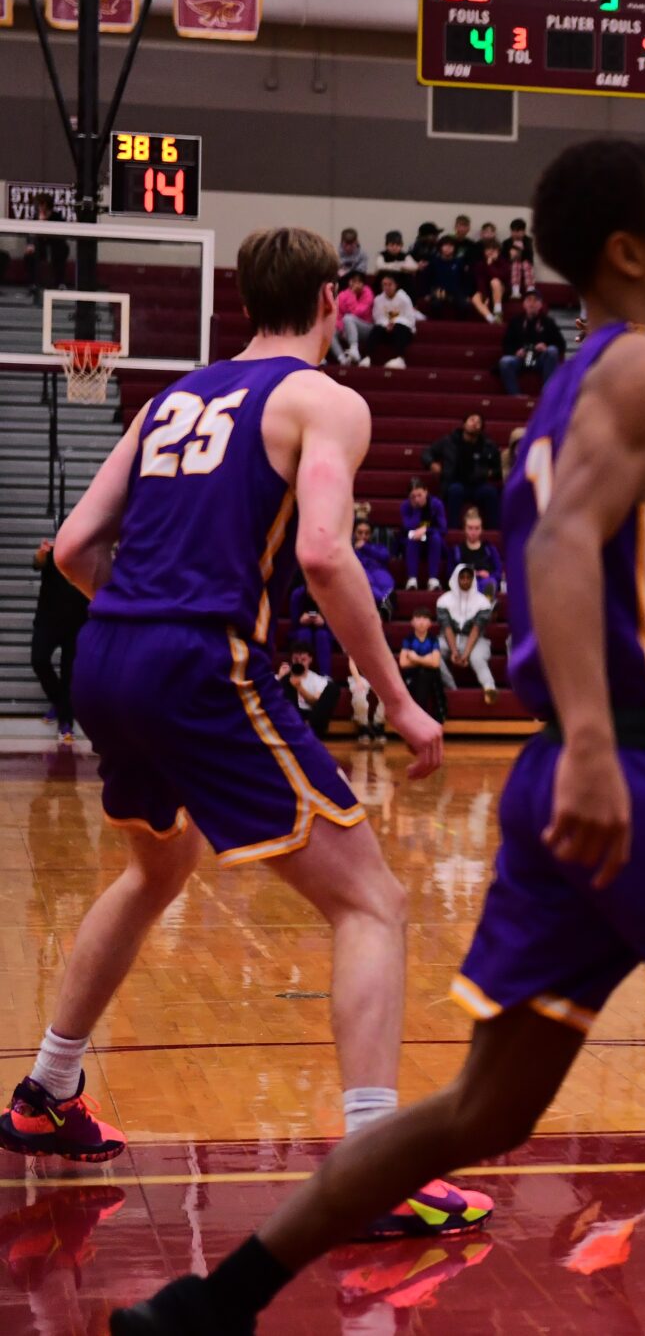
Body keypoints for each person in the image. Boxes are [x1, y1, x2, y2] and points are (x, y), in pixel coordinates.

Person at [109, 137, 645, 1336]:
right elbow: (565, 538)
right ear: (627, 254)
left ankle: (205, 1310)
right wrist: (589, 743)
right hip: (632, 773)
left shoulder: (591, 374)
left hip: (563, 784)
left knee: (483, 1109)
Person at [6, 227, 467, 1243]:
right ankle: (373, 1164)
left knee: (155, 871)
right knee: (373, 901)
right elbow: (325, 554)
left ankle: (46, 1087)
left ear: (245, 303)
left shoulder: (170, 399)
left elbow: (74, 546)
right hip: (198, 661)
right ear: (334, 301)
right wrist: (396, 698)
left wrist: (135, 621)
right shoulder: (324, 400)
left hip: (106, 655)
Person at [30, 537, 89, 742]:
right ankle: (60, 703)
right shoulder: (53, 553)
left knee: (68, 673)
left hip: (77, 622)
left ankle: (66, 724)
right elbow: (37, 564)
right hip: (47, 620)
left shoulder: (88, 556)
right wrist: (41, 553)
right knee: (39, 660)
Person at [423, 413, 504, 530]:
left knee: (490, 492)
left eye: (478, 422)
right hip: (455, 481)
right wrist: (431, 463)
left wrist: (490, 473)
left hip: (479, 484)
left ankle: (494, 532)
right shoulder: (449, 441)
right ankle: (453, 531)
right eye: (472, 420)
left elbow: (499, 469)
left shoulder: (488, 445)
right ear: (464, 424)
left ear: (481, 428)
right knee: (455, 491)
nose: (475, 423)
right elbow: (426, 453)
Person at [436, 564, 497, 703]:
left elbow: (476, 629)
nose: (465, 581)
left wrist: (465, 654)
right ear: (455, 579)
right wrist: (454, 651)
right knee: (432, 651)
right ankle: (452, 688)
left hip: (476, 640)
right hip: (448, 639)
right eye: (462, 577)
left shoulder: (483, 602)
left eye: (468, 578)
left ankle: (489, 688)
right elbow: (446, 627)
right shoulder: (443, 600)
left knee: (477, 657)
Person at [497, 291, 567, 396]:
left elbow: (561, 345)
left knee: (552, 350)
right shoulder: (515, 321)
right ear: (524, 304)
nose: (532, 304)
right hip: (521, 359)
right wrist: (516, 352)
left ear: (540, 305)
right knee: (505, 361)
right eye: (529, 300)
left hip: (540, 359)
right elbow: (506, 344)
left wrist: (545, 347)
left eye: (535, 301)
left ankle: (548, 393)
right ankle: (515, 396)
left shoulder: (548, 322)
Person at [278, 647, 343, 737]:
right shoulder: (284, 676)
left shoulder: (317, 679)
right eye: (296, 659)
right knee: (283, 683)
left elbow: (315, 702)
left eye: (303, 660)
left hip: (312, 715)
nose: (299, 663)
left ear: (310, 660)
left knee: (333, 688)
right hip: (293, 714)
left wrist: (299, 688)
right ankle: (296, 727)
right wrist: (280, 679)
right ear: (292, 660)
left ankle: (308, 728)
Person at [397, 610, 447, 723]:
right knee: (420, 676)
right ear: (412, 622)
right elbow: (403, 663)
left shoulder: (433, 639)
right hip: (412, 675)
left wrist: (415, 658)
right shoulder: (408, 639)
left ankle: (427, 716)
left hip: (430, 675)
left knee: (427, 675)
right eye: (418, 618)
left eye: (425, 618)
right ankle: (420, 717)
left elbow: (435, 663)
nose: (421, 622)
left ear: (430, 623)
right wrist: (426, 659)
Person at [399, 482, 448, 591]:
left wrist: (426, 529)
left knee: (435, 537)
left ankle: (433, 579)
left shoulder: (436, 504)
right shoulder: (406, 506)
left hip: (434, 544)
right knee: (413, 537)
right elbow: (407, 527)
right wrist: (417, 510)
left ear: (426, 492)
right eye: (413, 497)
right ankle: (412, 579)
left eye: (419, 495)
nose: (417, 499)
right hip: (413, 544)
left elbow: (443, 529)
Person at [366, 273, 418, 368]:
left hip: (403, 330)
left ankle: (400, 358)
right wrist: (387, 324)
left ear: (395, 285)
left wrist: (395, 322)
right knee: (376, 329)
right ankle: (367, 357)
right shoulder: (378, 299)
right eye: (384, 285)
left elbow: (410, 319)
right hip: (386, 330)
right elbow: (378, 317)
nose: (387, 287)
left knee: (399, 328)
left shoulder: (404, 298)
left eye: (390, 284)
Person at [448, 506, 503, 593]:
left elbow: (498, 572)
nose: (473, 532)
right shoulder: (456, 551)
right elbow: (451, 574)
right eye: (470, 528)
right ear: (464, 528)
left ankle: (485, 599)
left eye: (477, 528)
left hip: (486, 582)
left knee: (489, 582)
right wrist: (471, 574)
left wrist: (489, 575)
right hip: (465, 585)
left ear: (481, 529)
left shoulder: (490, 549)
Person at [331, 270, 374, 366]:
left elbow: (357, 312)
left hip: (366, 328)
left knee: (348, 318)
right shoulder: (342, 295)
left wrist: (352, 294)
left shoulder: (368, 293)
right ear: (349, 282)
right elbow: (337, 316)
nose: (356, 284)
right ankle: (343, 360)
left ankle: (354, 348)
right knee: (330, 331)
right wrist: (342, 329)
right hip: (346, 329)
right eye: (353, 281)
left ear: (363, 284)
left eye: (359, 281)